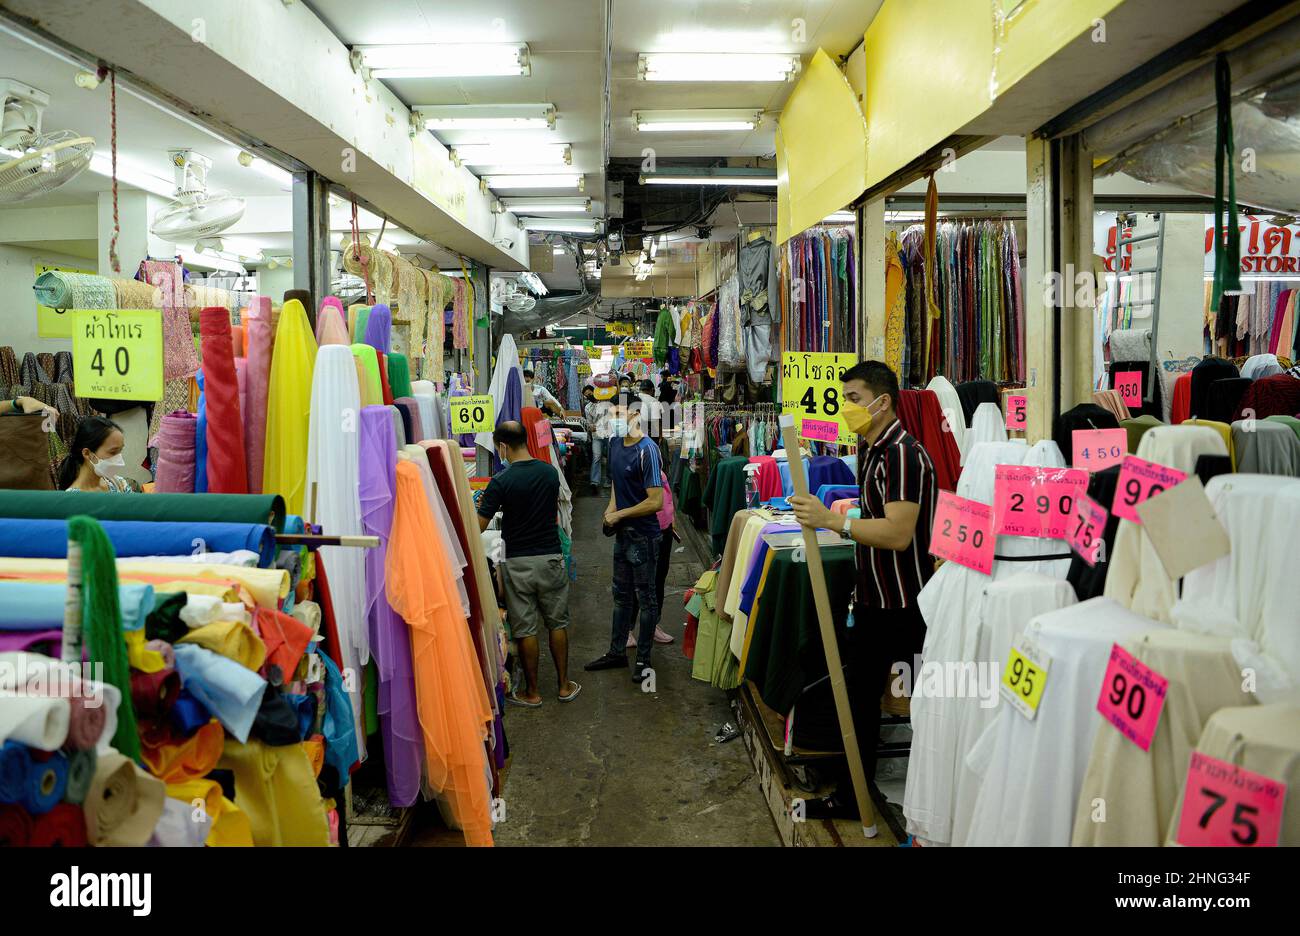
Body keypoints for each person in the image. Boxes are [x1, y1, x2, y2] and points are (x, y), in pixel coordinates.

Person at [788, 360, 937, 818]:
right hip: (874, 598)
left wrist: (835, 520)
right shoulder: (872, 448)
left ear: (882, 401)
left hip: (904, 603)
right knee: (858, 699)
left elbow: (898, 534)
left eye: (854, 399)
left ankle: (909, 796)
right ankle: (855, 793)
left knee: (910, 700)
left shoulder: (902, 453)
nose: (846, 408)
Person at [478, 420, 580, 706]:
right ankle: (563, 685)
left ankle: (532, 692)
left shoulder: (502, 480)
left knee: (525, 629)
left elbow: (481, 525)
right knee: (557, 623)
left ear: (502, 446)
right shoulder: (549, 473)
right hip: (549, 557)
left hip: (517, 562)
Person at [585, 398, 664, 682]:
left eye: (618, 412)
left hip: (644, 536)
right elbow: (617, 484)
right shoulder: (614, 444)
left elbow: (656, 501)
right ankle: (616, 652)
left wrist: (621, 515)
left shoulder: (648, 451)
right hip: (623, 535)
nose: (613, 418)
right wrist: (610, 509)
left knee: (646, 599)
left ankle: (643, 659)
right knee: (621, 597)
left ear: (635, 415)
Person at [627, 468, 675, 647]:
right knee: (637, 581)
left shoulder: (654, 458)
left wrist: (671, 520)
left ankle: (653, 625)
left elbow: (667, 494)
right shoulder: (631, 463)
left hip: (664, 528)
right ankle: (627, 628)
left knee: (659, 578)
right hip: (643, 529)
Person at [57, 415, 140, 493]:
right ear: (87, 453)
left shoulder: (119, 484)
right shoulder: (72, 499)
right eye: (113, 452)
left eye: (120, 451)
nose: (119, 459)